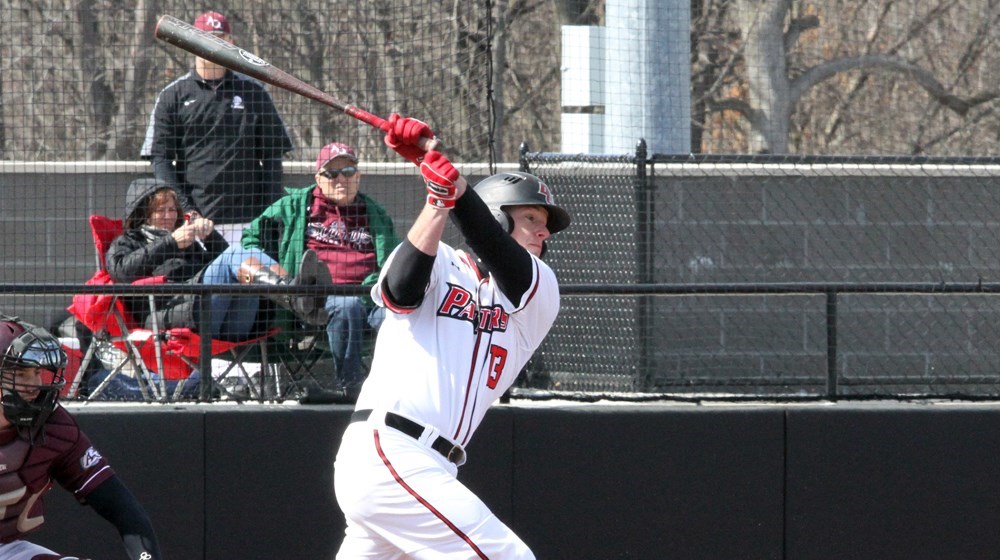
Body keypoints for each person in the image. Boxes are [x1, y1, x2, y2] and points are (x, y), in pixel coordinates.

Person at [332, 114, 571, 559]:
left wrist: (454, 189)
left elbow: (500, 254)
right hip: (391, 450)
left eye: (545, 224)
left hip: (435, 466)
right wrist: (439, 201)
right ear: (498, 215)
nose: (544, 231)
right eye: (531, 218)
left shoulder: (538, 291)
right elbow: (399, 293)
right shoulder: (440, 257)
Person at [242, 142, 400, 401]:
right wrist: (276, 271)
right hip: (316, 302)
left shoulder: (375, 213)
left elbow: (392, 261)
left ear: (358, 176)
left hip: (369, 296)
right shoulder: (295, 205)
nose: (341, 179)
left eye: (348, 172)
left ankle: (397, 393)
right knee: (347, 307)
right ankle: (351, 390)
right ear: (318, 178)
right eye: (332, 173)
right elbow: (250, 239)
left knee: (397, 318)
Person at [0, 314, 164, 559]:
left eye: (36, 373)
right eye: (21, 375)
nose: (35, 385)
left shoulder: (54, 427)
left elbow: (124, 510)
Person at [105, 177, 330, 345]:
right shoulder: (127, 241)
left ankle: (296, 295)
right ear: (142, 213)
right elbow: (121, 272)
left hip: (224, 318)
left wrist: (210, 237)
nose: (169, 215)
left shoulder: (188, 240)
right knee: (236, 254)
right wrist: (171, 243)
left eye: (172, 209)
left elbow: (230, 265)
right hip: (173, 315)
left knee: (241, 254)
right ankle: (294, 293)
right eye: (160, 210)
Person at [140, 10, 294, 245]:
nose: (213, 44)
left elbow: (272, 157)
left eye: (220, 37)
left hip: (248, 223)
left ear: (231, 43)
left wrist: (267, 216)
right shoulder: (173, 95)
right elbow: (160, 160)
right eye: (205, 37)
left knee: (252, 280)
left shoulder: (254, 92)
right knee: (200, 281)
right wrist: (188, 212)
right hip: (195, 225)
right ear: (191, 43)